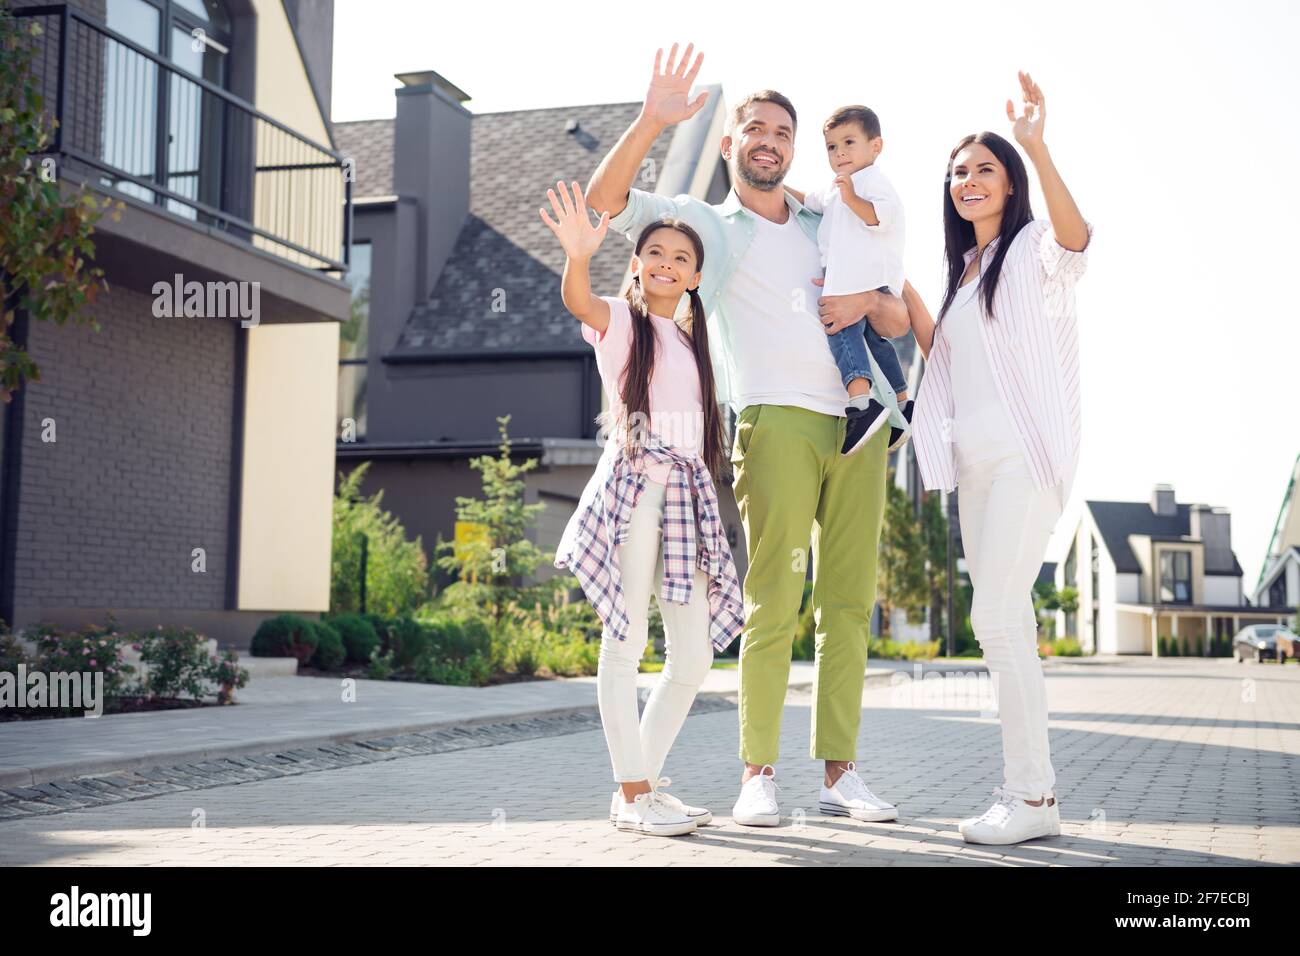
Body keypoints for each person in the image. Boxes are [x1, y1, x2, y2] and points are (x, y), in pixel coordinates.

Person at [585, 43, 910, 827]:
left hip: (862, 424)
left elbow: (897, 314)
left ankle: (840, 774)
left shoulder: (826, 215)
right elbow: (605, 198)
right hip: (775, 420)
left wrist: (865, 301)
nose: (768, 141)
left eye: (782, 132)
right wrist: (652, 120)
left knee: (845, 604)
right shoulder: (705, 224)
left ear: (792, 149)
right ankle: (757, 774)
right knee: (775, 599)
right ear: (730, 144)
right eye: (753, 128)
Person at [902, 71, 1092, 845]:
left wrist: (1039, 147)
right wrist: (892, 299)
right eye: (957, 172)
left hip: (1025, 459)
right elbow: (943, 358)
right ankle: (1031, 797)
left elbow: (1079, 240)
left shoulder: (1033, 250)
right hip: (975, 470)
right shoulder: (965, 275)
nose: (968, 180)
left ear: (1010, 186)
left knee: (995, 621)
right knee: (1005, 621)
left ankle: (1032, 796)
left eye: (984, 169)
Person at [543, 180, 744, 837]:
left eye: (680, 258)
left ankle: (641, 787)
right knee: (625, 641)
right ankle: (635, 789)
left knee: (691, 659)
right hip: (637, 490)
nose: (665, 262)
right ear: (637, 263)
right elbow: (580, 300)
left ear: (694, 278)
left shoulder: (691, 343)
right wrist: (579, 255)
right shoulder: (624, 322)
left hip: (685, 499)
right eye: (654, 251)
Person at [785, 105, 912, 456]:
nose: (839, 153)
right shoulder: (835, 187)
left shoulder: (872, 182)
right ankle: (902, 401)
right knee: (873, 342)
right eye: (831, 147)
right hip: (850, 277)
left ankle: (861, 404)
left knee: (839, 328)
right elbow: (809, 201)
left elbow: (881, 218)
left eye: (849, 143)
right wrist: (778, 187)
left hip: (864, 281)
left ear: (875, 147)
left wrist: (852, 197)